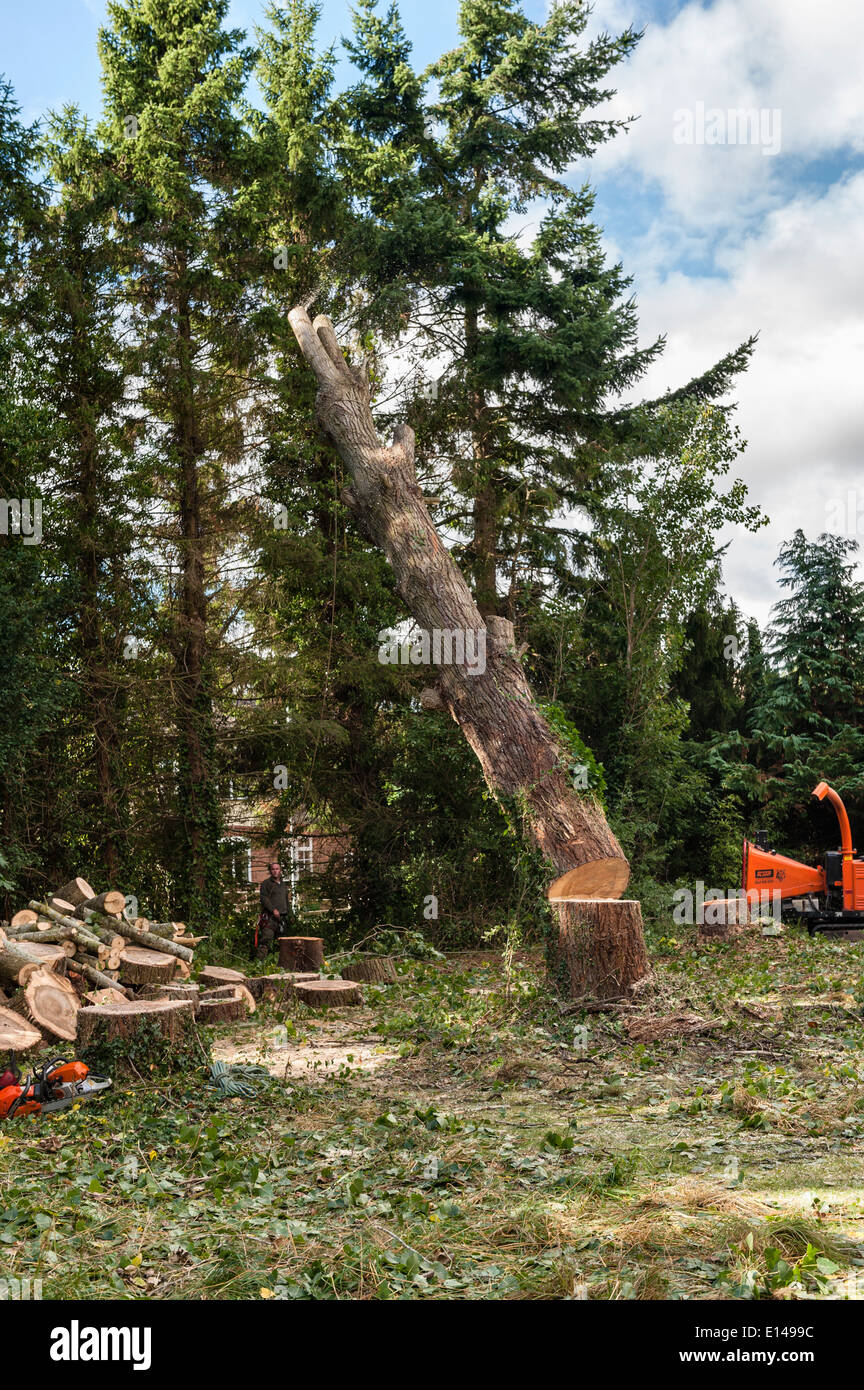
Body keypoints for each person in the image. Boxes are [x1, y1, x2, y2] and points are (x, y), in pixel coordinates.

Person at [255, 860, 294, 961]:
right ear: (270, 871)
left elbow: (286, 900)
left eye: (277, 869)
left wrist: (290, 915)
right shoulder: (266, 884)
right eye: (273, 869)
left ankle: (281, 963)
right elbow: (264, 899)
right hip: (270, 918)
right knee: (266, 940)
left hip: (282, 917)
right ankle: (259, 964)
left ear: (280, 871)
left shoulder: (283, 885)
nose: (275, 871)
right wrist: (273, 910)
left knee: (282, 942)